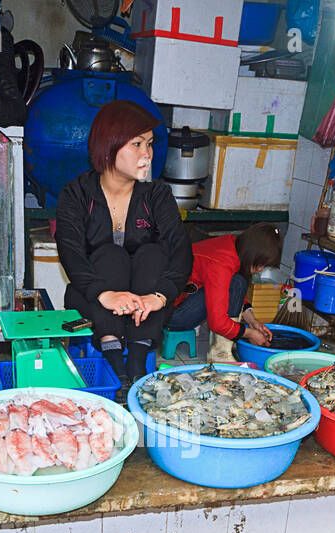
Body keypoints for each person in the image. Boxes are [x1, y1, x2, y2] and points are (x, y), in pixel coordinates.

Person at [55, 100, 193, 396]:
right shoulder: (76, 193)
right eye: (137, 144)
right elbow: (71, 253)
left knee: (154, 254)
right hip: (94, 299)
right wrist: (106, 295)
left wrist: (160, 296)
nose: (147, 154)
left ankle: (138, 361)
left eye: (150, 144)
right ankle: (114, 359)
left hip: (146, 301)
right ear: (110, 145)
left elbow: (180, 249)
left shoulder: (157, 194)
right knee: (109, 255)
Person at [167, 223, 284, 364]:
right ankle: (219, 353)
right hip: (170, 316)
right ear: (252, 253)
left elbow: (235, 295)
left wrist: (253, 322)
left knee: (237, 283)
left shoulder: (233, 245)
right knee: (237, 283)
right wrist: (249, 334)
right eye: (260, 264)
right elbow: (217, 322)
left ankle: (225, 343)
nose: (260, 269)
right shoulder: (221, 264)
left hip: (177, 303)